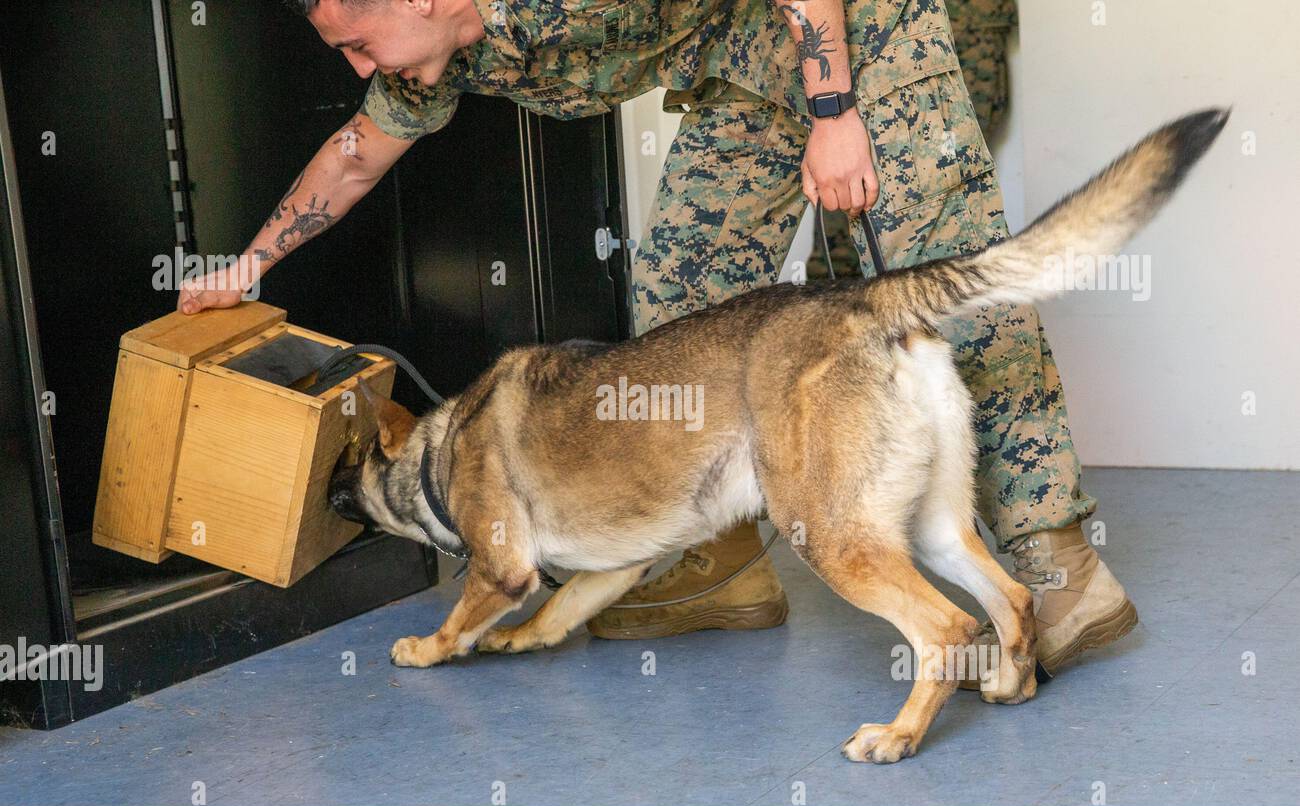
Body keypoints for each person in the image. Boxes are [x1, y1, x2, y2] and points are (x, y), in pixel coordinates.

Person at [177, 0, 1136, 676]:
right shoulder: (444, 48)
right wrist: (251, 263)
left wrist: (835, 112)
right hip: (733, 57)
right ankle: (717, 563)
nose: (358, 67)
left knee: (947, 282)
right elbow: (357, 151)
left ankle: (1060, 569)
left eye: (355, 42)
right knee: (682, 302)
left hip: (856, 32)